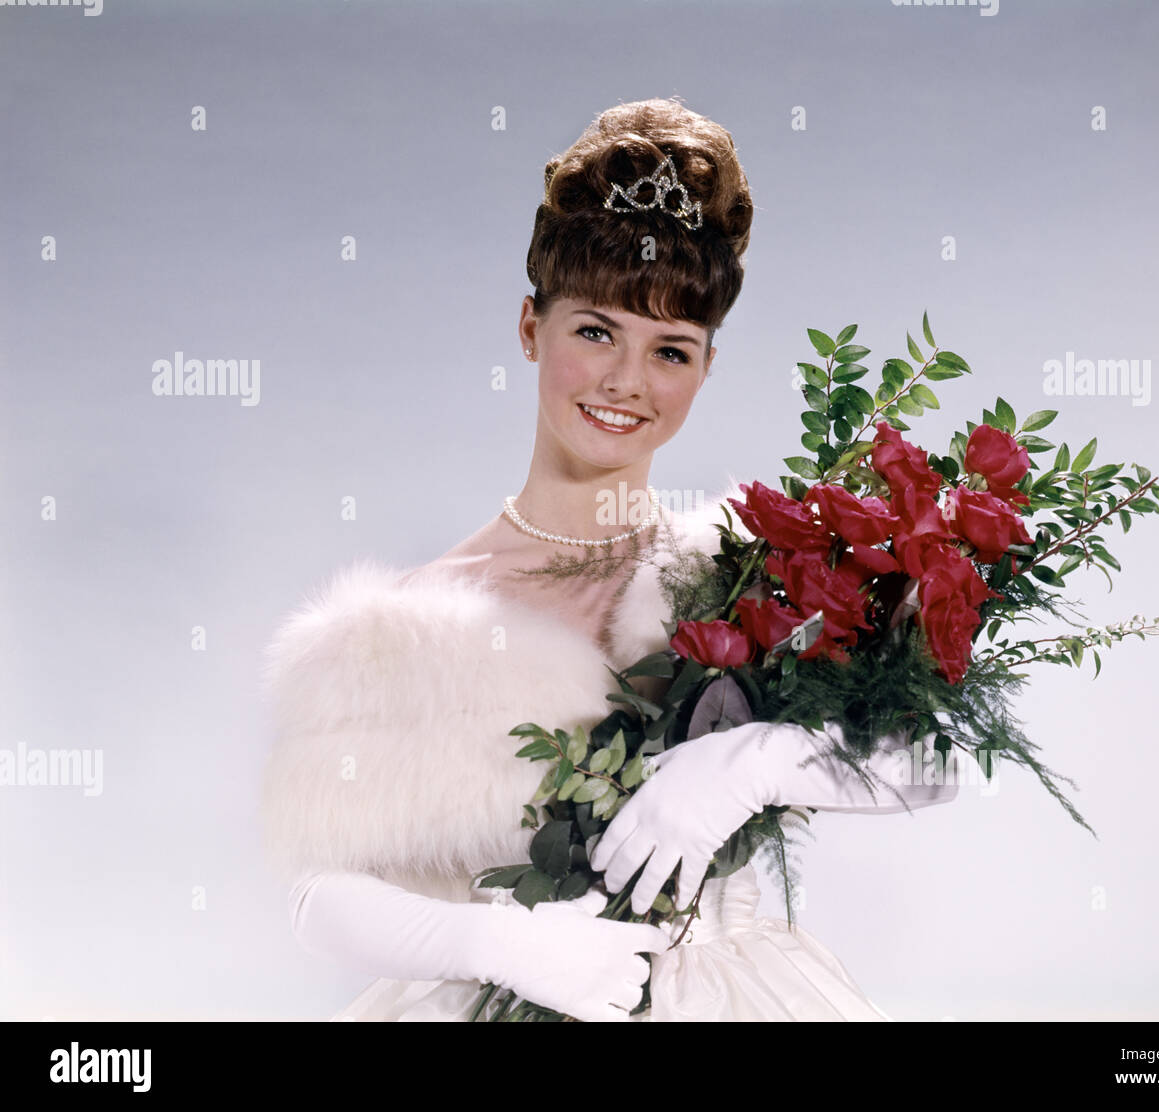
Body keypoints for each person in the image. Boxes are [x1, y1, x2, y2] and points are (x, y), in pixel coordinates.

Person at [259, 97, 957, 1023]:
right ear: (528, 328)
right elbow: (318, 897)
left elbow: (935, 763)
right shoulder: (406, 629)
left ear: (706, 367)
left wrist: (757, 760)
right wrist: (498, 942)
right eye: (596, 331)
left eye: (669, 349)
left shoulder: (753, 567)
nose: (628, 381)